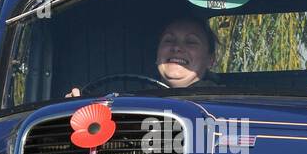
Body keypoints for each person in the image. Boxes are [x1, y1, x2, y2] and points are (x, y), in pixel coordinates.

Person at [67, 16, 217, 96]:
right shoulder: (130, 100)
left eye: (191, 42)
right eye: (169, 40)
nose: (177, 47)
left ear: (210, 60)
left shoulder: (222, 105)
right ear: (157, 56)